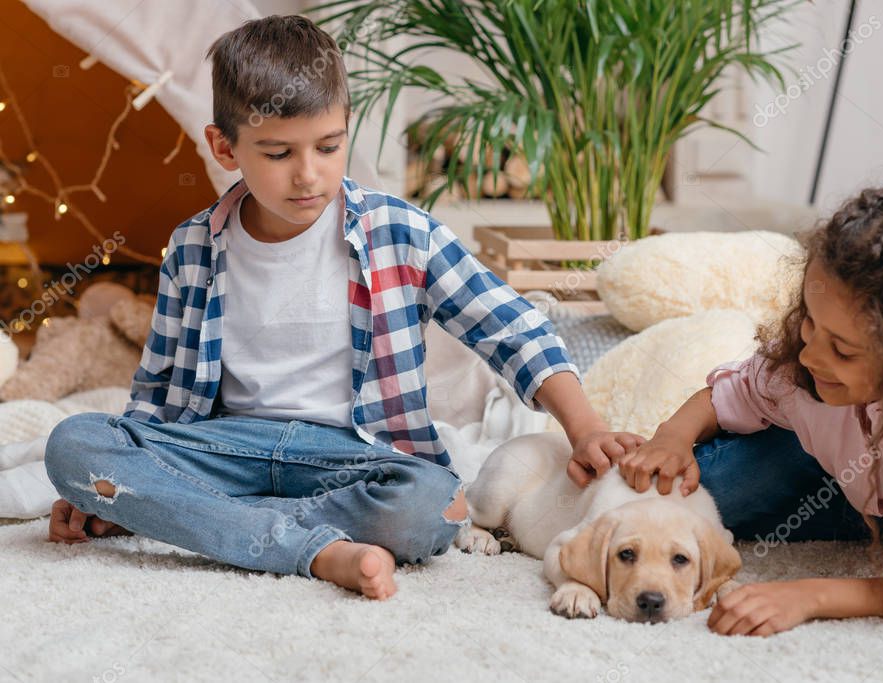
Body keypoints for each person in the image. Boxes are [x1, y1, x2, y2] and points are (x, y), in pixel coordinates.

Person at [44, 15, 643, 601]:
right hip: (227, 449)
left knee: (435, 505)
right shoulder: (193, 246)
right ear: (225, 147)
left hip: (352, 456)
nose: (309, 175)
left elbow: (512, 329)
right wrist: (113, 479)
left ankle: (214, 521)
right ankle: (313, 548)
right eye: (278, 153)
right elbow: (156, 389)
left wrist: (585, 428)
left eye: (328, 146)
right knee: (75, 444)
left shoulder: (401, 232)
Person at [618, 178, 883, 635]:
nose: (811, 356)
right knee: (677, 498)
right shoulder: (803, 373)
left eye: (843, 351)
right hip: (836, 481)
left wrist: (814, 595)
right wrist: (672, 436)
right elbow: (733, 392)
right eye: (810, 322)